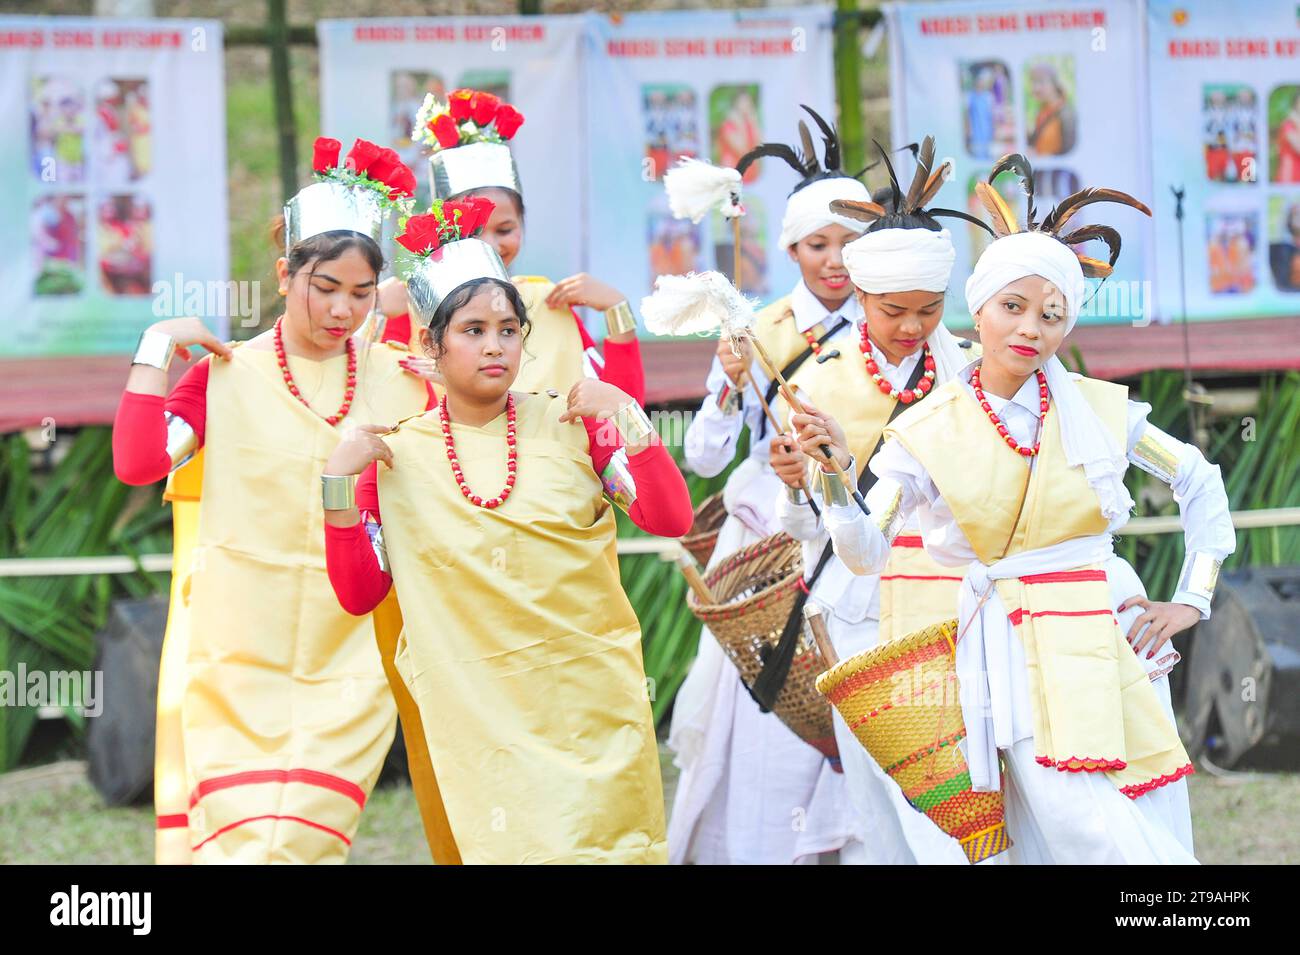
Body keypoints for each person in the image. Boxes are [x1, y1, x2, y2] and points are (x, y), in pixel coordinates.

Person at [795, 159, 1235, 863]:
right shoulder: (929, 428)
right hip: (1003, 647)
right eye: (1013, 306)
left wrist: (1193, 597)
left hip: (1102, 631)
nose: (1031, 327)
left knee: (1128, 807)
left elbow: (1199, 479)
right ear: (981, 306)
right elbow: (863, 552)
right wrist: (832, 477)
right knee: (1054, 824)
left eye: (1052, 312)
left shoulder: (1098, 409)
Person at [320, 209, 693, 862]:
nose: (495, 346)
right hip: (483, 725)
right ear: (432, 348)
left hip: (590, 708)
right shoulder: (397, 457)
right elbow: (359, 594)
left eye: (508, 330)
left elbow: (669, 519)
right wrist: (335, 489)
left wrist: (629, 418)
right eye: (473, 330)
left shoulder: (578, 424)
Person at [113, 138, 428, 863]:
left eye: (359, 292)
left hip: (350, 653)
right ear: (285, 274)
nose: (342, 308)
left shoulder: (405, 380)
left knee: (297, 843)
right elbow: (136, 462)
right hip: (236, 652)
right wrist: (158, 345)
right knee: (242, 844)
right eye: (324, 286)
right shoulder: (226, 375)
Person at [668, 108, 880, 865]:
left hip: (856, 531)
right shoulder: (754, 328)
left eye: (849, 245)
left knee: (850, 703)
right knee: (769, 715)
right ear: (791, 247)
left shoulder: (890, 326)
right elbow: (703, 457)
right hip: (771, 546)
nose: (833, 259)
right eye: (817, 244)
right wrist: (728, 388)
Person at [772, 139, 991, 864]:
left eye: (929, 310)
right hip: (854, 607)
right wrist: (807, 476)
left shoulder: (970, 372)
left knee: (950, 789)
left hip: (951, 603)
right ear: (859, 297)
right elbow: (804, 529)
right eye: (894, 310)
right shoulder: (816, 383)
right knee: (877, 795)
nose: (911, 327)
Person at [380, 88, 644, 405]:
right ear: (444, 229)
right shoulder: (410, 312)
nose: (490, 244)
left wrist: (618, 313)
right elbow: (386, 417)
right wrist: (384, 319)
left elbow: (622, 420)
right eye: (473, 230)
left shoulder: (548, 303)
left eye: (505, 229)